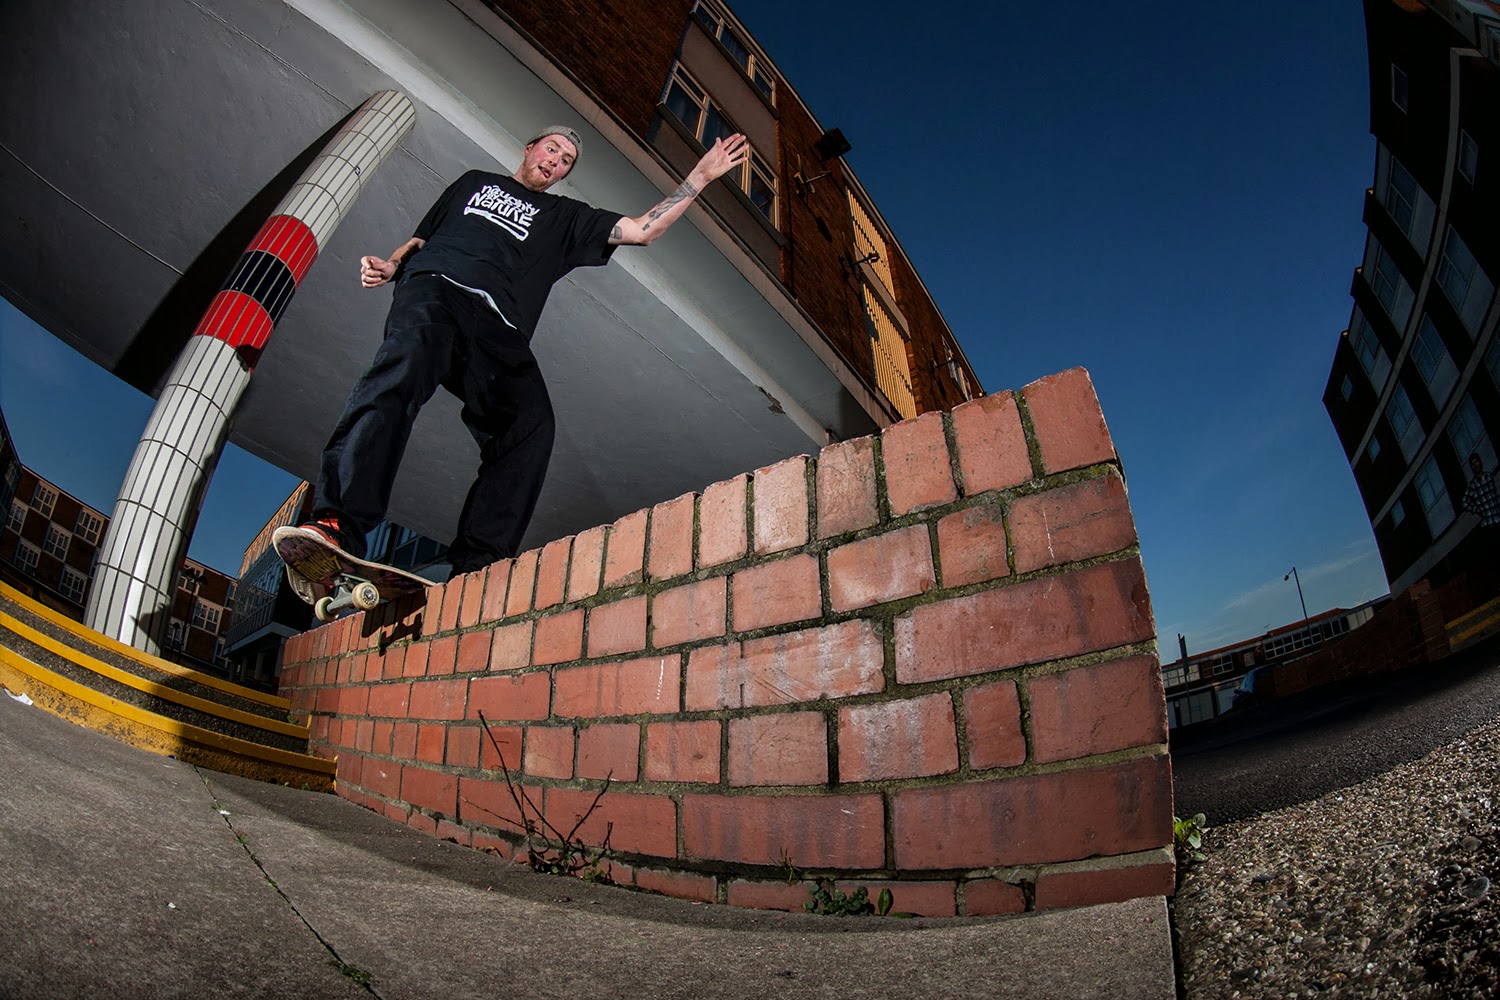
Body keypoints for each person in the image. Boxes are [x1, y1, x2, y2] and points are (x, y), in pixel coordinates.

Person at [288, 125, 749, 580]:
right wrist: (393, 265)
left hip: (499, 329)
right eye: (551, 149)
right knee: (399, 375)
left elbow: (642, 230)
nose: (555, 161)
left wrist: (699, 178)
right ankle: (337, 524)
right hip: (436, 292)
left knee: (530, 426)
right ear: (530, 149)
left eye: (565, 160)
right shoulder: (473, 182)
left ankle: (479, 565)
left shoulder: (565, 215)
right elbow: (422, 239)